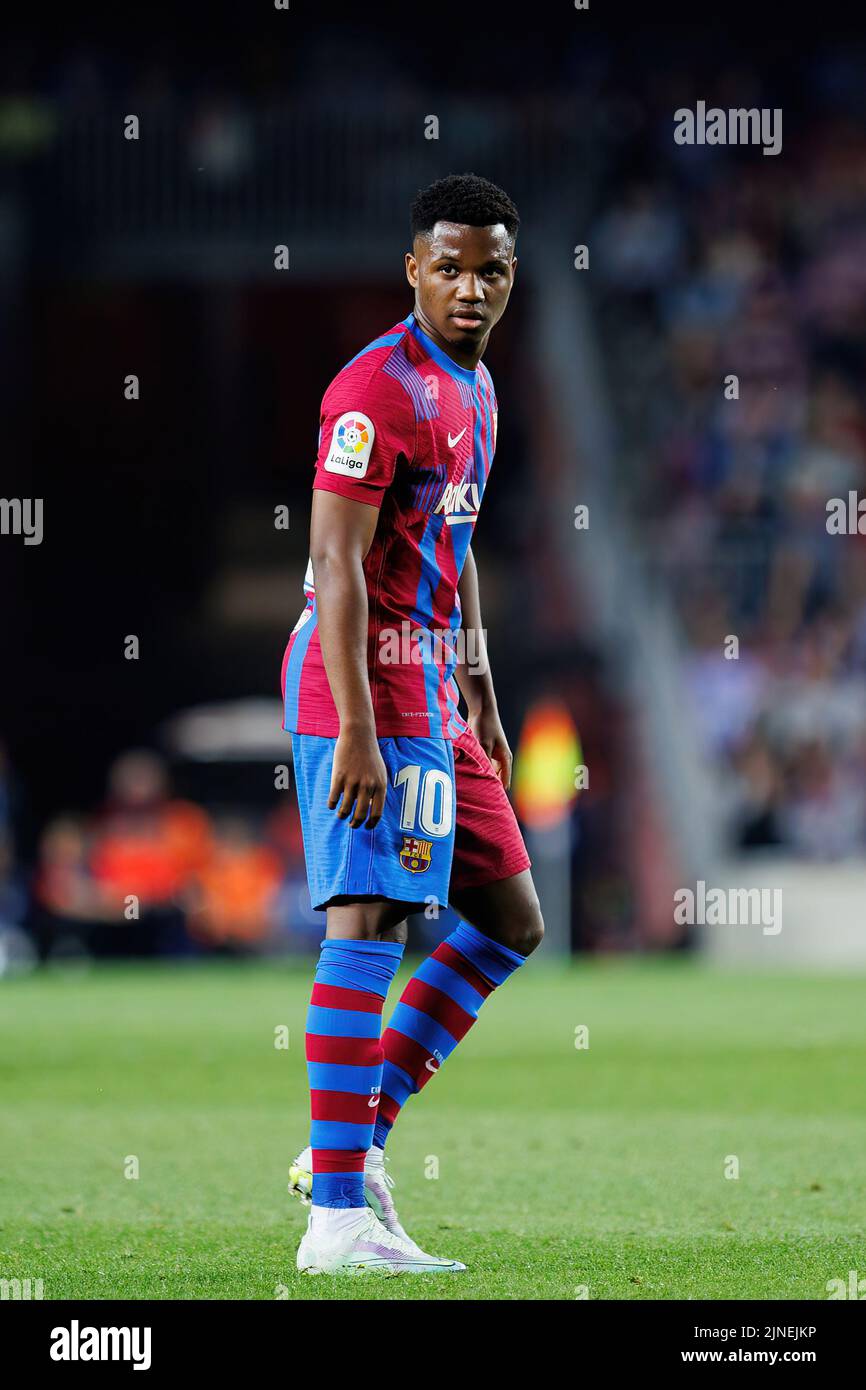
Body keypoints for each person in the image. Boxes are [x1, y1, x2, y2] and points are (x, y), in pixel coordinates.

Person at [281, 172, 544, 1275]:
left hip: (432, 684)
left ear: (509, 273)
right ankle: (336, 1219)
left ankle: (346, 1145)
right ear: (412, 270)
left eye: (488, 268)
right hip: (363, 683)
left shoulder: (474, 391)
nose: (469, 287)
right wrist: (352, 726)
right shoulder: (374, 390)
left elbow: (458, 537)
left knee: (510, 917)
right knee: (369, 922)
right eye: (448, 266)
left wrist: (476, 685)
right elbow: (336, 565)